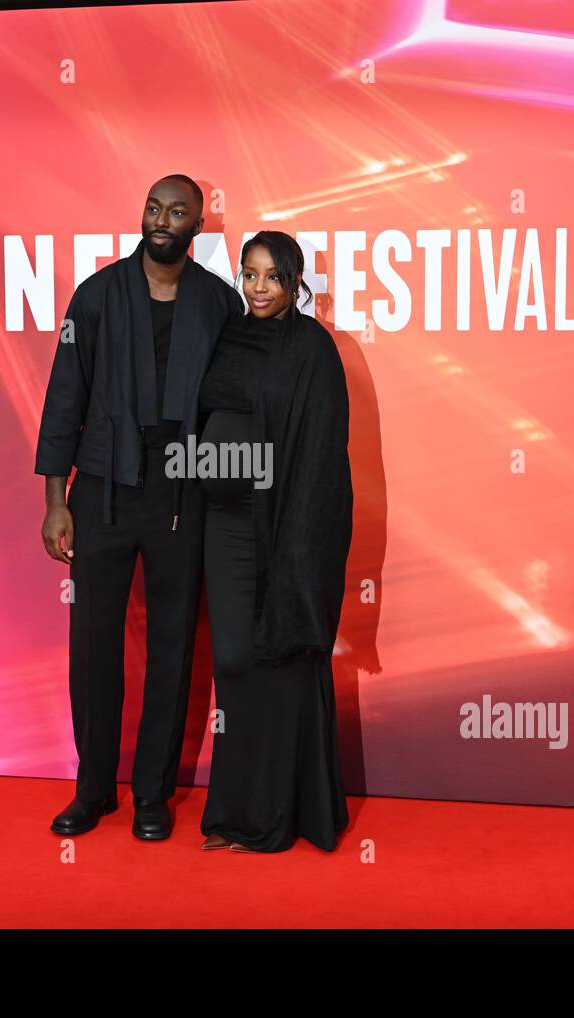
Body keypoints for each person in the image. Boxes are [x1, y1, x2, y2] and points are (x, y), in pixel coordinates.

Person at [35, 175, 244, 840]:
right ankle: (93, 790)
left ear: (196, 224)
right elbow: (63, 398)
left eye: (176, 211)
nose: (161, 219)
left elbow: (233, 408)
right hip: (101, 488)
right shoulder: (96, 296)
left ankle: (154, 795)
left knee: (173, 646)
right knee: (93, 644)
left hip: (182, 493)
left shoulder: (218, 305)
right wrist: (55, 502)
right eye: (154, 208)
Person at [193, 231, 353, 853]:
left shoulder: (312, 347)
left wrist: (300, 538)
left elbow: (322, 452)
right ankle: (237, 809)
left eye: (273, 277)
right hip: (223, 522)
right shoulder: (225, 336)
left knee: (280, 658)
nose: (259, 288)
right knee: (234, 660)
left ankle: (276, 816)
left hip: (283, 523)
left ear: (295, 282)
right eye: (250, 274)